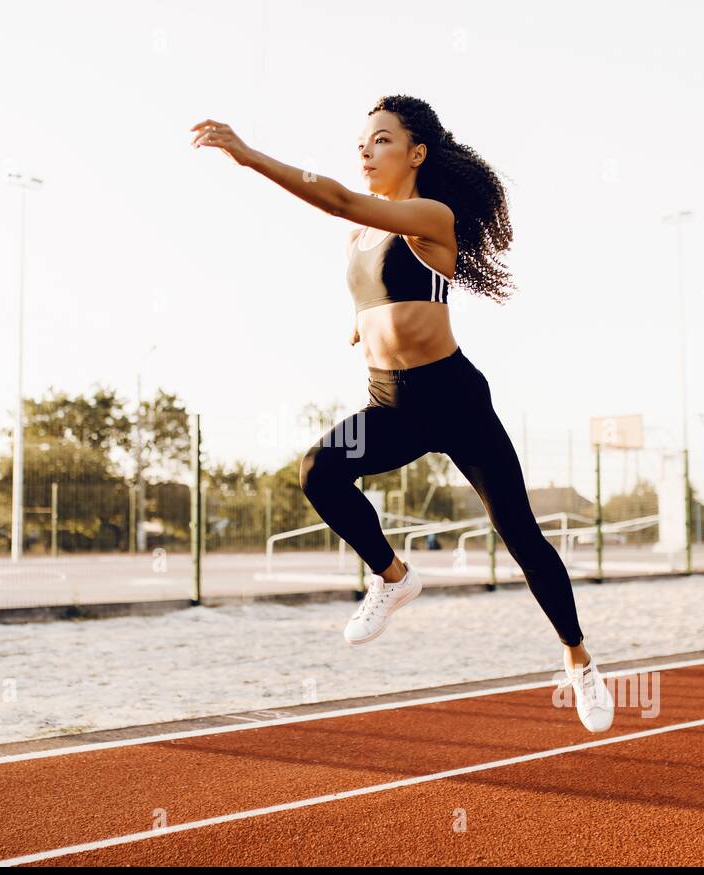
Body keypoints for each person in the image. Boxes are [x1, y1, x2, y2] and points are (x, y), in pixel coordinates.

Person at [190, 96, 613, 732]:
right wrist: (364, 328)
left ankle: (579, 661)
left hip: (455, 399)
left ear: (415, 154)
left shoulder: (429, 217)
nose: (365, 150)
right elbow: (376, 285)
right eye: (362, 141)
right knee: (318, 472)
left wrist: (247, 156)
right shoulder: (360, 237)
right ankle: (393, 577)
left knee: (521, 534)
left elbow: (338, 199)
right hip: (392, 402)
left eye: (381, 140)